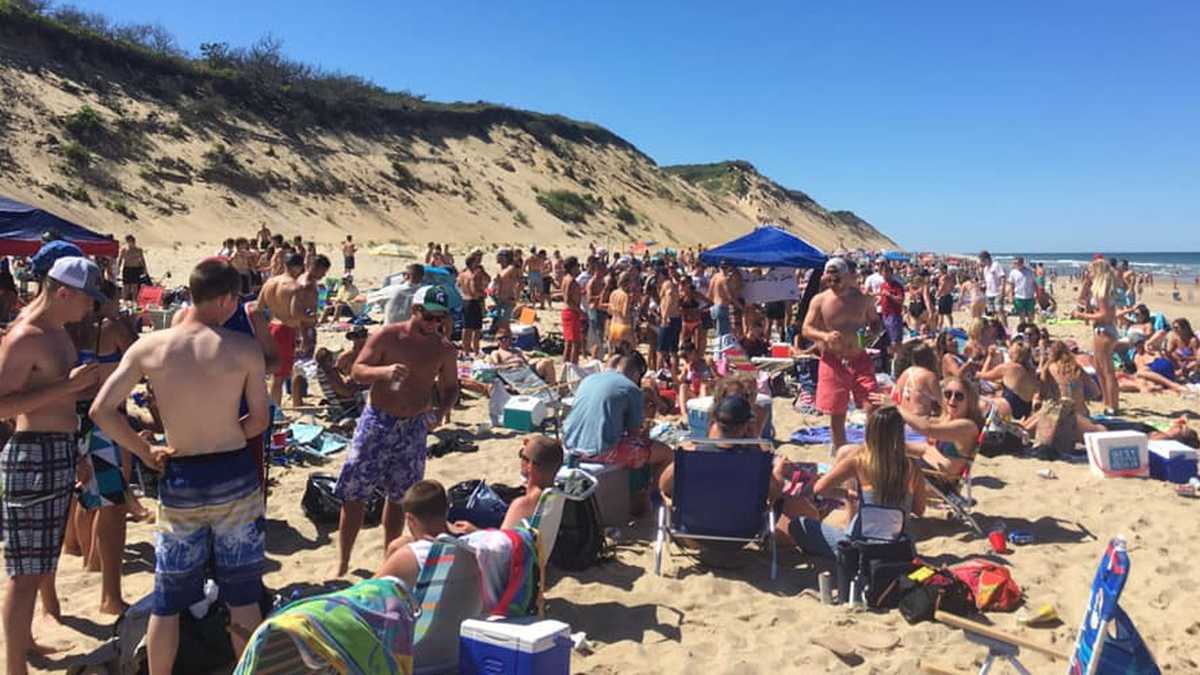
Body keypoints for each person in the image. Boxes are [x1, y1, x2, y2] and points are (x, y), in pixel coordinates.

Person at [90, 258, 271, 675]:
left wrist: (142, 450)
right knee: (242, 596)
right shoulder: (242, 349)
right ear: (226, 298)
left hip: (180, 476)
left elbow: (103, 410)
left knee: (169, 598)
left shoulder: (150, 347)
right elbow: (259, 420)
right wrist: (227, 431)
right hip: (233, 475)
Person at [0, 257, 104, 675]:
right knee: (24, 573)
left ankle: (23, 644)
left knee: (41, 563)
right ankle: (12, 666)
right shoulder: (26, 337)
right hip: (31, 454)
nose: (90, 309)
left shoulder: (57, 332)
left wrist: (75, 451)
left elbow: (56, 404)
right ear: (64, 292)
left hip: (57, 451)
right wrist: (70, 386)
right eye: (87, 299)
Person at [333, 286, 458, 577]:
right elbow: (357, 370)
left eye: (440, 318)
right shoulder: (388, 336)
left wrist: (440, 412)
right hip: (377, 421)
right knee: (355, 493)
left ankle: (389, 557)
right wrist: (383, 372)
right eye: (428, 316)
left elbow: (451, 387)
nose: (434, 324)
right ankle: (343, 562)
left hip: (413, 427)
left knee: (401, 498)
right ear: (414, 310)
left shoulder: (443, 348)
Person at [65, 279, 136, 615]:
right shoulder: (110, 327)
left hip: (74, 414)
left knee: (85, 490)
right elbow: (138, 355)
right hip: (104, 412)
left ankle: (82, 555)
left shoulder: (71, 328)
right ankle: (106, 587)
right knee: (112, 496)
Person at [776, 406, 926, 557]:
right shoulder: (912, 468)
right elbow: (919, 510)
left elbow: (819, 488)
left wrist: (845, 494)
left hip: (861, 549)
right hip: (902, 549)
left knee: (799, 525)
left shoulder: (859, 462)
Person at [802, 258, 880, 452]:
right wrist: (825, 336)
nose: (832, 281)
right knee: (837, 411)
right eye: (829, 277)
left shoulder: (862, 298)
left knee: (873, 405)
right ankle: (840, 449)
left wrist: (868, 338)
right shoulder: (820, 300)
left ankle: (872, 447)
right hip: (833, 360)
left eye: (836, 277)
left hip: (859, 358)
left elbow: (875, 324)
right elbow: (806, 328)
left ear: (847, 276)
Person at [561, 351, 672, 478]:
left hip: (569, 446)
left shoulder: (588, 380)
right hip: (599, 452)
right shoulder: (630, 388)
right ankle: (655, 494)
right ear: (636, 373)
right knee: (665, 452)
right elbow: (635, 435)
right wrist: (646, 427)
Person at [454, 435, 564, 533]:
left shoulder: (523, 505)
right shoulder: (559, 498)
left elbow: (502, 546)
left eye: (522, 456)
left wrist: (474, 531)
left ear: (530, 465)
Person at [259, 253, 329, 406]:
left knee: (271, 374)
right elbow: (296, 313)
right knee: (282, 375)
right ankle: (276, 409)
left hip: (271, 326)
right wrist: (312, 319)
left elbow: (258, 308)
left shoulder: (270, 282)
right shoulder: (294, 286)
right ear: (298, 267)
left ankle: (274, 406)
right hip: (286, 329)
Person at [896, 375, 984, 483]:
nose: (952, 399)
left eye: (959, 396)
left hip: (936, 481)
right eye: (948, 394)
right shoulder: (946, 419)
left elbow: (926, 428)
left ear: (969, 401)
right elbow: (924, 439)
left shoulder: (966, 426)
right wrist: (897, 446)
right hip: (927, 471)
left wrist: (896, 407)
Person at [1073, 258, 1120, 415]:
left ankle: (1112, 405)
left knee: (1106, 371)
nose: (1089, 274)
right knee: (1100, 370)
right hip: (1102, 329)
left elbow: (1105, 314)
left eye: (1091, 271)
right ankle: (1108, 404)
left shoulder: (1102, 292)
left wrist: (1083, 315)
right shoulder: (1100, 289)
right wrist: (1085, 285)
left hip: (1104, 330)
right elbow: (1082, 299)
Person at [976, 341, 1039, 420]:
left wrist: (990, 356)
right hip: (1026, 408)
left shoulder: (1008, 367)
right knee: (992, 396)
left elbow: (983, 376)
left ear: (1013, 352)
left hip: (1010, 405)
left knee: (978, 403)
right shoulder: (1032, 370)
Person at [457, 251, 488, 356]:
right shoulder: (473, 275)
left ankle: (465, 352)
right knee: (476, 329)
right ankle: (475, 351)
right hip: (474, 301)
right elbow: (474, 290)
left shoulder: (463, 273)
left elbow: (458, 285)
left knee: (466, 328)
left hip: (465, 300)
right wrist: (482, 294)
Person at [656, 263, 682, 371]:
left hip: (669, 318)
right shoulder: (673, 283)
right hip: (675, 318)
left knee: (661, 350)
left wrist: (664, 316)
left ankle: (659, 373)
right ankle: (674, 371)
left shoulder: (668, 284)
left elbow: (669, 298)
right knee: (673, 350)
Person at [559, 256, 585, 364]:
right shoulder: (571, 280)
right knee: (576, 342)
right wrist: (580, 311)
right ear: (573, 267)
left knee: (569, 342)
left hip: (568, 311)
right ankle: (573, 366)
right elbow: (568, 299)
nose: (579, 268)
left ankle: (566, 365)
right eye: (577, 266)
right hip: (571, 312)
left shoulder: (566, 279)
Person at [709, 262, 741, 340]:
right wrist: (740, 306)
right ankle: (720, 351)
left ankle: (718, 349)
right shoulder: (724, 279)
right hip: (722, 307)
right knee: (723, 334)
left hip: (714, 306)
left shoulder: (715, 277)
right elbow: (729, 296)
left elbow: (709, 293)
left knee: (717, 331)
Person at [494, 250, 520, 334]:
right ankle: (504, 341)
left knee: (504, 323)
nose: (497, 257)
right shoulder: (502, 268)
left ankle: (506, 341)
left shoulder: (511, 268)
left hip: (508, 298)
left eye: (499, 255)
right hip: (499, 299)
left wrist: (516, 296)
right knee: (501, 323)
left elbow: (519, 283)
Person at [117, 234, 148, 302]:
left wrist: (145, 269)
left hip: (135, 269)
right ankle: (124, 300)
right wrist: (118, 268)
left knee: (135, 286)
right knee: (126, 286)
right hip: (127, 268)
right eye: (128, 241)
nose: (129, 242)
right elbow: (120, 259)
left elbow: (142, 260)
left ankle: (134, 301)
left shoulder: (138, 250)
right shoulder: (124, 250)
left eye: (130, 241)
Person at [1007, 256, 1037, 325]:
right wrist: (1010, 296)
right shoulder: (1013, 273)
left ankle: (1030, 326)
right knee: (1021, 315)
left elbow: (1034, 284)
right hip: (1018, 297)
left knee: (1031, 314)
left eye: (1018, 263)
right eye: (1015, 263)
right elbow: (1011, 285)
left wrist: (1036, 294)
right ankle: (1023, 328)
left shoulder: (1030, 272)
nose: (1016, 264)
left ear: (1022, 263)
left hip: (1030, 296)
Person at [980, 250, 1006, 325]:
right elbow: (986, 281)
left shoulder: (996, 265)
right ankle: (997, 328)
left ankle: (1006, 329)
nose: (982, 263)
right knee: (991, 312)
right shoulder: (985, 269)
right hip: (989, 293)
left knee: (999, 311)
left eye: (982, 261)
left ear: (987, 259)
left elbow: (1003, 277)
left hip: (997, 292)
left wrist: (1002, 290)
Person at [935, 263, 955, 329]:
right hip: (949, 296)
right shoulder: (950, 277)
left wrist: (937, 294)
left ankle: (939, 328)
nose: (939, 271)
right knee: (949, 314)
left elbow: (942, 287)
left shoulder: (943, 277)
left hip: (943, 296)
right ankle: (951, 327)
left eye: (940, 269)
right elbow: (952, 287)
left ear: (943, 269)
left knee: (941, 315)